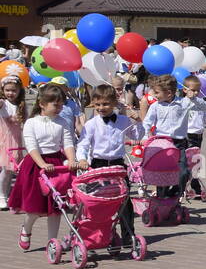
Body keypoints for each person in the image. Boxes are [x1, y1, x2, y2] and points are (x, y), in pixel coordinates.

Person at [75, 83, 141, 242]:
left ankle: (128, 235)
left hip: (118, 165)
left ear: (114, 102)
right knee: (99, 201)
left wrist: (138, 121)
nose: (101, 107)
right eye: (97, 104)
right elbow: (83, 143)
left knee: (124, 200)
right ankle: (100, 234)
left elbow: (137, 135)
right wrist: (82, 159)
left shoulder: (124, 120)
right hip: (98, 165)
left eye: (105, 104)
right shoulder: (91, 124)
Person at [13, 84, 76, 249]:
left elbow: (68, 142)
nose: (59, 108)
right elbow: (31, 146)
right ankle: (26, 229)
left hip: (56, 165)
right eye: (55, 105)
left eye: (61, 105)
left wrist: (71, 160)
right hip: (36, 165)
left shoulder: (62, 121)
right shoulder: (31, 123)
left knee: (57, 207)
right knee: (33, 208)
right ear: (42, 103)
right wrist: (42, 164)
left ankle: (52, 243)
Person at [142, 75, 198, 197]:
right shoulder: (155, 106)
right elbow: (147, 122)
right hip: (162, 144)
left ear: (168, 93)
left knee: (183, 172)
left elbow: (202, 108)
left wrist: (193, 98)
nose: (155, 95)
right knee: (163, 173)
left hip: (179, 144)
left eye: (157, 92)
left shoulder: (183, 103)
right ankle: (162, 198)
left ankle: (175, 192)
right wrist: (146, 136)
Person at [180, 74, 206, 196]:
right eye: (193, 90)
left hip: (198, 134)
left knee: (196, 161)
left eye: (198, 90)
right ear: (185, 90)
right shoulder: (182, 102)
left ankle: (192, 183)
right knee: (188, 161)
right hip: (187, 134)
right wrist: (189, 99)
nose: (196, 93)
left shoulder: (201, 103)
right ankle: (186, 184)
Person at [0, 74, 26, 209]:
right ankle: (2, 196)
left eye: (14, 90)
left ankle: (6, 194)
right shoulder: (3, 103)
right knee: (5, 170)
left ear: (19, 91)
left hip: (15, 141)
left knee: (10, 171)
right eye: (7, 90)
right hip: (3, 140)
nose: (10, 93)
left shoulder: (20, 105)